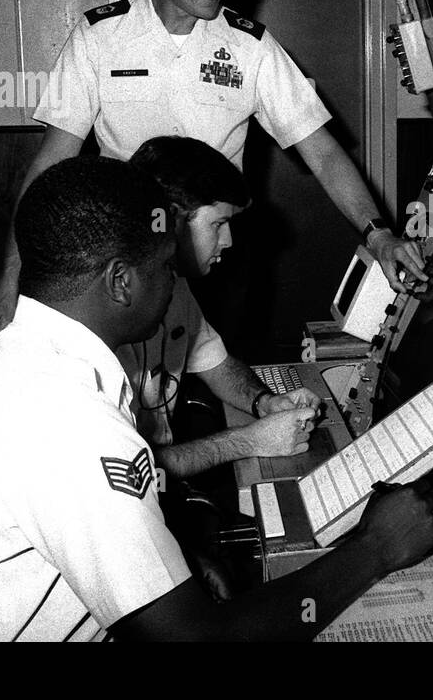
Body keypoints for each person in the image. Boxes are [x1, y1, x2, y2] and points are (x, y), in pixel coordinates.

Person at [0, 157, 433, 641]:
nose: (176, 284)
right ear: (121, 282)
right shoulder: (69, 422)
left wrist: (172, 563)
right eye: (167, 267)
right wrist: (378, 547)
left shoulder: (23, 356)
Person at [0, 0, 426, 353]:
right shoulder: (99, 38)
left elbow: (321, 154)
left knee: (229, 378)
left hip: (218, 256)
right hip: (130, 264)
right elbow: (49, 170)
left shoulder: (249, 46)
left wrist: (378, 234)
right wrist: (11, 280)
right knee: (139, 399)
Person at [121, 135, 321, 479]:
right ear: (172, 220)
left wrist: (266, 403)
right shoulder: (109, 313)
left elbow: (216, 365)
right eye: (217, 224)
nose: (228, 241)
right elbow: (134, 471)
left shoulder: (174, 283)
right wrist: (249, 441)